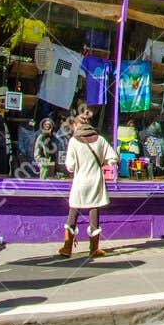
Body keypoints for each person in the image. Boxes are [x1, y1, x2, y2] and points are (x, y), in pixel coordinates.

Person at [60, 109, 117, 258]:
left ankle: (67, 248)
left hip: (80, 181)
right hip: (95, 181)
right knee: (94, 211)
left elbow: (70, 165)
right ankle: (94, 249)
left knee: (73, 212)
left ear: (76, 126)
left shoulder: (73, 141)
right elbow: (113, 158)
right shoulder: (100, 139)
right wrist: (103, 162)